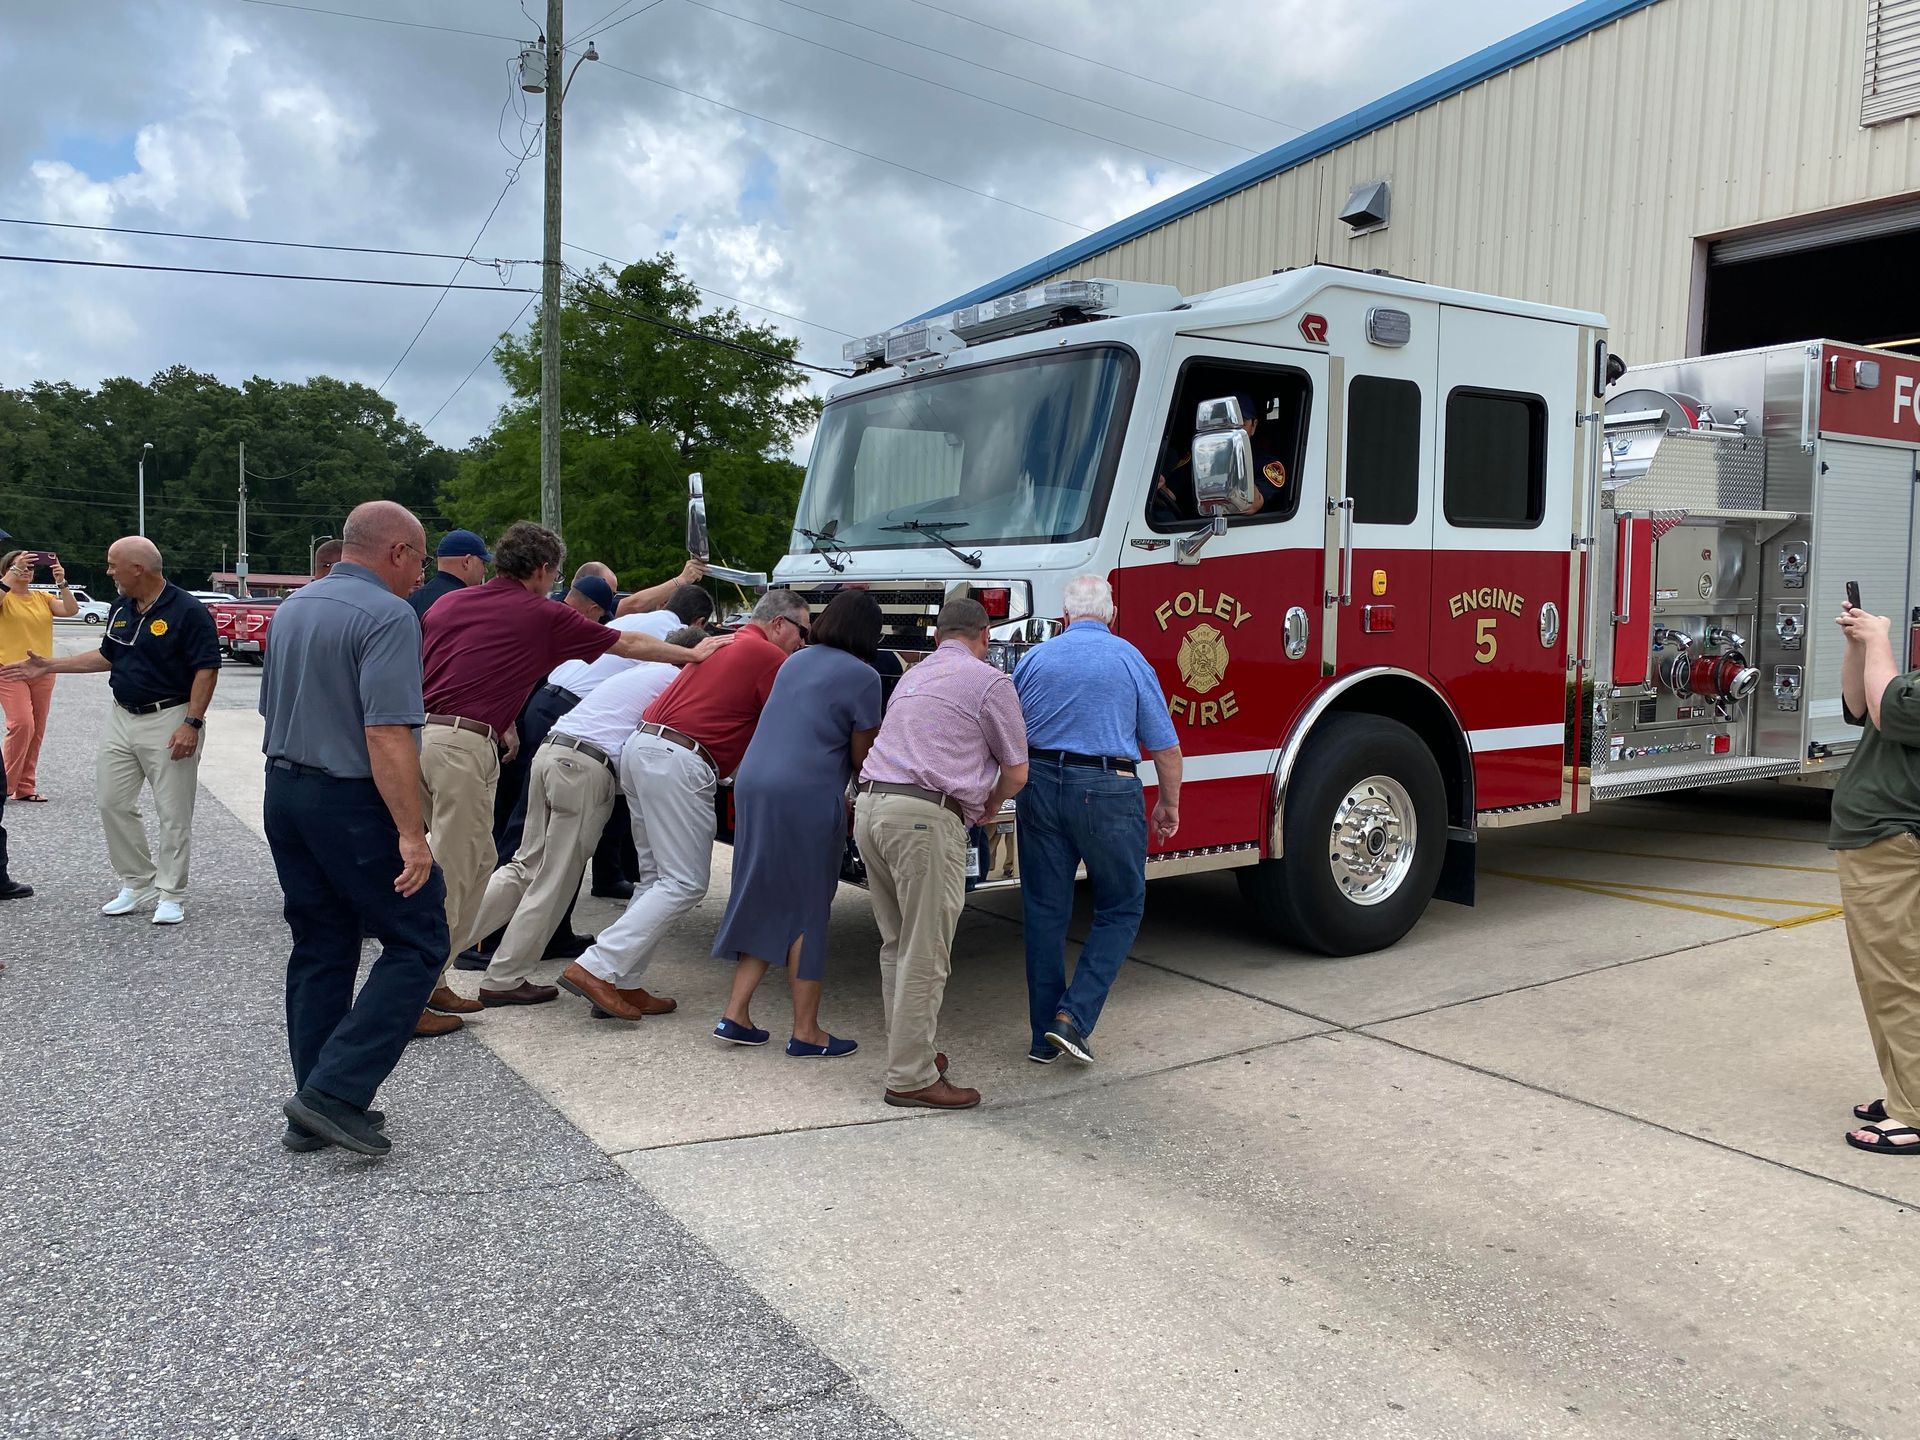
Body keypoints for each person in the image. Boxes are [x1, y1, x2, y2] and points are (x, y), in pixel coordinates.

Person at [415, 521, 725, 1037]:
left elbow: (454, 669)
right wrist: (694, 655)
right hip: (484, 752)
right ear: (541, 571)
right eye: (555, 572)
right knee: (476, 873)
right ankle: (430, 985)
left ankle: (439, 977)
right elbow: (625, 641)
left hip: (429, 737)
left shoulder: (449, 605)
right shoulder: (540, 612)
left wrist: (503, 719)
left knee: (502, 865)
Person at [261, 502, 449, 1158]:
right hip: (348, 800)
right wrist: (411, 833)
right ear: (397, 551)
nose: (419, 576)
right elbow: (386, 732)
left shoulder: (296, 607)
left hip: (284, 790)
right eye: (420, 562)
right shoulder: (388, 615)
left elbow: (272, 704)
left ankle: (311, 1101)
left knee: (322, 942)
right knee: (420, 939)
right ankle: (332, 1094)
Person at [559, 588, 810, 1022]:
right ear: (780, 624)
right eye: (803, 632)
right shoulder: (769, 657)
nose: (803, 644)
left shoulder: (726, 642)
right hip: (679, 758)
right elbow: (787, 728)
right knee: (685, 882)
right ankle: (596, 967)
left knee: (656, 876)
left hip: (642, 748)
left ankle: (623, 978)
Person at [460, 577, 716, 970]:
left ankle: (450, 945)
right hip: (581, 760)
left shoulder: (643, 637)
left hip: (553, 734)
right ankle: (504, 975)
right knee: (555, 878)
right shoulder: (674, 676)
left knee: (524, 863)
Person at [854, 597, 1028, 1110]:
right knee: (925, 952)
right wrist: (989, 806)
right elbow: (1017, 772)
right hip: (924, 819)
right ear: (986, 635)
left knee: (898, 944)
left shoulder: (913, 676)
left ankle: (913, 1052)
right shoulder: (991, 682)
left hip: (871, 807)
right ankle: (910, 1076)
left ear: (937, 638)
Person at [0, 537, 219, 924]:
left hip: (170, 718)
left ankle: (171, 892)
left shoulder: (188, 611)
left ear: (139, 568)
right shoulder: (122, 606)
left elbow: (207, 668)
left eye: (113, 564)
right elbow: (107, 656)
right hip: (122, 716)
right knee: (112, 801)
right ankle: (137, 881)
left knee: (172, 811)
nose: (108, 571)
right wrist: (50, 665)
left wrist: (192, 723)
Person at [1013, 575, 1182, 1066]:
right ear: (1112, 614)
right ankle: (1073, 1018)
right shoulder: (1129, 659)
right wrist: (1168, 804)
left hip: (1040, 783)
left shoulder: (1035, 660)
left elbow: (1007, 728)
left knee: (1045, 912)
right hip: (1108, 788)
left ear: (1064, 618)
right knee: (1122, 907)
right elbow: (1165, 747)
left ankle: (1043, 1032)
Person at [711, 590, 884, 1055]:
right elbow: (862, 756)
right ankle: (807, 1031)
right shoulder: (864, 676)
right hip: (804, 793)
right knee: (809, 906)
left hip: (753, 784)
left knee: (763, 892)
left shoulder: (795, 661)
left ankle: (735, 1014)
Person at [1832, 598, 1920, 1155]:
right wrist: (1858, 643)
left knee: (1899, 980)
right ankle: (1904, 1091)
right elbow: (1860, 704)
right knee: (1882, 979)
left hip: (1892, 845)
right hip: (1873, 843)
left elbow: (1890, 710)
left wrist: (1881, 637)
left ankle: (1915, 1111)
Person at [0, 549, 78, 801]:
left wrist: (61, 581)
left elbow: (71, 609)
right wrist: (14, 570)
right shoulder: (5, 597)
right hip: (10, 669)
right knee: (22, 724)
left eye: (31, 567)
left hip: (43, 670)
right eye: (20, 565)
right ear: (6, 570)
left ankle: (25, 786)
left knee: (37, 729)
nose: (26, 570)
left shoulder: (42, 598)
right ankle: (5, 785)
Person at [408, 529, 490, 620]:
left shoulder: (413, 601)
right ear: (467, 562)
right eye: (483, 563)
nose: (485, 570)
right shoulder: (471, 605)